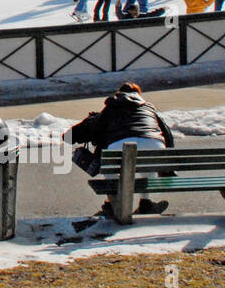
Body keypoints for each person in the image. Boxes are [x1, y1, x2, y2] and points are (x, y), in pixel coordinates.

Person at [64, 81, 175, 219]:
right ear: (138, 94)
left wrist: (71, 136)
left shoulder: (112, 107)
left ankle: (112, 205)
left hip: (119, 147)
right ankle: (145, 203)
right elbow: (167, 133)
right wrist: (168, 161)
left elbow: (96, 128)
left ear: (118, 94)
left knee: (109, 162)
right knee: (149, 159)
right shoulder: (149, 107)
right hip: (154, 144)